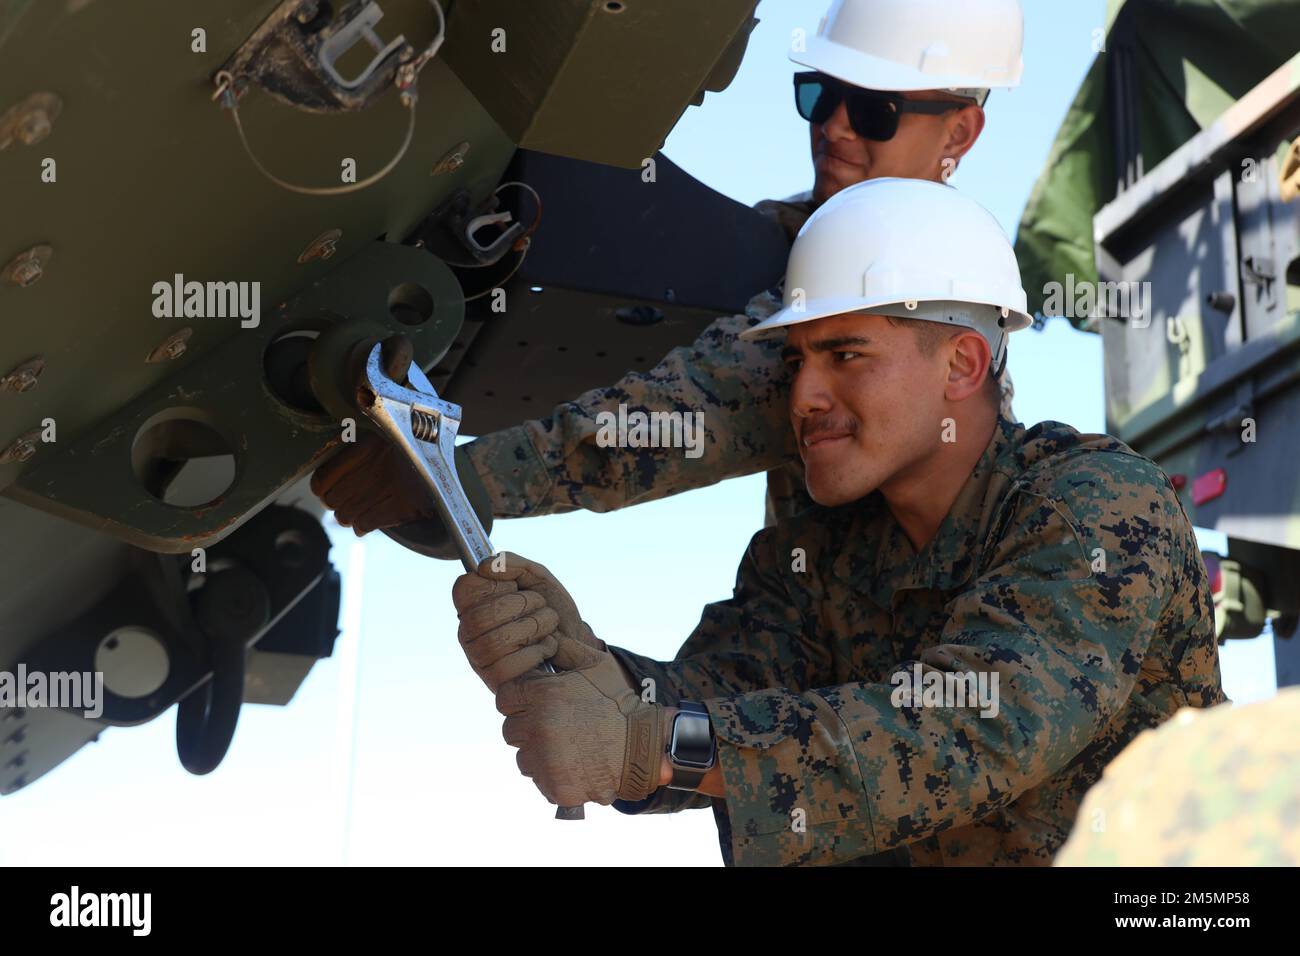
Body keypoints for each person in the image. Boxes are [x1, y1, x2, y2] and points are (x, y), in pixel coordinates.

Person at [450, 178, 1227, 866]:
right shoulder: (818, 552)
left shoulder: (1095, 505)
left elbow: (973, 727)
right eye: (795, 363)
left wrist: (652, 744)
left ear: (962, 364)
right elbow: (725, 696)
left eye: (845, 355)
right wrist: (598, 673)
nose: (802, 397)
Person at [311, 0, 1027, 537]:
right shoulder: (788, 238)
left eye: (874, 110)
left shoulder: (924, 281)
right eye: (821, 94)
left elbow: (712, 402)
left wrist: (465, 480)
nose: (835, 125)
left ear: (959, 131)